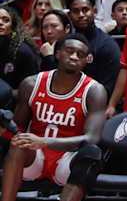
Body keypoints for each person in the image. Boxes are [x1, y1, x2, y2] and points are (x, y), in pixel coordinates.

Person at [0, 33, 107, 201]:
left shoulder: (94, 91)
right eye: (69, 51)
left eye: (80, 55)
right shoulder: (31, 84)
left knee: (92, 154)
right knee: (19, 143)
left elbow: (92, 138)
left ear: (86, 61)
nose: (74, 56)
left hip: (67, 159)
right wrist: (5, 132)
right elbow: (18, 127)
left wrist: (45, 142)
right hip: (35, 157)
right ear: (57, 53)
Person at [62, 0, 121, 97]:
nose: (81, 15)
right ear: (69, 15)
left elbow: (109, 88)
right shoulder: (64, 43)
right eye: (76, 11)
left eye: (85, 10)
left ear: (94, 11)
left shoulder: (107, 45)